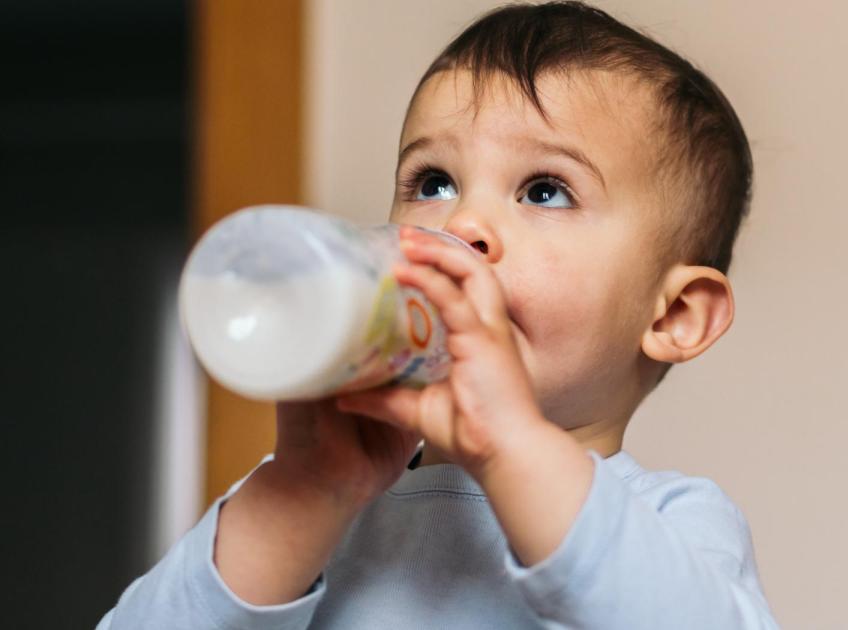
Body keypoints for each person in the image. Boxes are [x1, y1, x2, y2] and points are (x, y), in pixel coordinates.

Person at [99, 2, 777, 628]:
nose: (464, 222)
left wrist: (508, 445)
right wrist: (302, 493)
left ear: (677, 316)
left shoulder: (673, 523)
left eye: (544, 190)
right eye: (433, 183)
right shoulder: (319, 501)